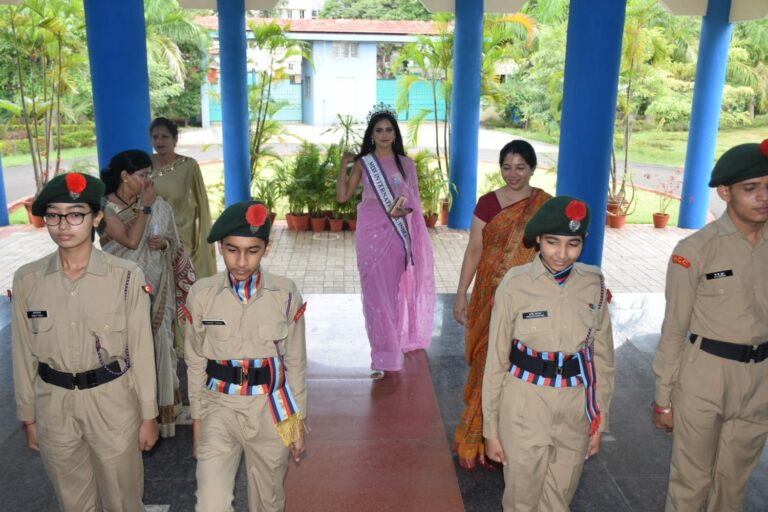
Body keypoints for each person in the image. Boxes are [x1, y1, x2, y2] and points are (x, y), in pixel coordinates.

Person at [12, 172, 159, 511]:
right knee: (72, 501)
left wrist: (148, 415)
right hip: (54, 405)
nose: (63, 224)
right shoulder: (29, 280)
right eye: (53, 214)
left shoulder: (124, 277)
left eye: (75, 214)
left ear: (96, 218)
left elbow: (140, 349)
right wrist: (28, 416)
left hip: (111, 403)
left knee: (122, 500)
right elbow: (22, 354)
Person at [651, 140, 768, 511]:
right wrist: (662, 396)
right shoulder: (695, 250)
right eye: (750, 189)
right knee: (691, 483)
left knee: (733, 486)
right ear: (725, 192)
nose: (762, 197)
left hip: (760, 378)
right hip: (705, 375)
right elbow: (673, 327)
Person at [482, 196, 615, 511]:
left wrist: (600, 420)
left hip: (574, 409)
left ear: (583, 243)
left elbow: (603, 360)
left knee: (559, 500)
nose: (562, 253)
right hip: (526, 406)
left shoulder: (593, 284)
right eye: (553, 242)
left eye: (573, 244)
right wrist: (491, 429)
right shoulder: (515, 285)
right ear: (538, 240)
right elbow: (496, 360)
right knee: (521, 501)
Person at [185, 200, 307, 512]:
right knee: (211, 504)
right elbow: (196, 359)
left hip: (270, 408)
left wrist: (297, 422)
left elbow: (295, 361)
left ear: (266, 248)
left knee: (268, 502)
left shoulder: (286, 293)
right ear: (220, 248)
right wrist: (197, 420)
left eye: (252, 250)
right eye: (231, 250)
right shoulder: (201, 294)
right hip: (219, 407)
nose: (241, 261)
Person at [452, 139, 552, 469]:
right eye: (506, 167)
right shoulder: (487, 204)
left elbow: (555, 252)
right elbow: (475, 250)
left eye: (520, 167)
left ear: (533, 169)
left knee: (518, 366)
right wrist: (461, 292)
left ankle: (513, 434)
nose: (513, 174)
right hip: (488, 298)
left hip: (528, 300)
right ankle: (478, 436)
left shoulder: (545, 205)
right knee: (487, 363)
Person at [99, 149, 195, 438]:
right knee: (129, 349)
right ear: (124, 177)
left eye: (149, 174)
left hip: (159, 284)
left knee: (162, 343)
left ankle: (167, 409)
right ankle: (134, 412)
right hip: (122, 290)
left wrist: (164, 245)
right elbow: (129, 241)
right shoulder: (104, 209)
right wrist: (145, 207)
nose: (148, 179)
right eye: (142, 175)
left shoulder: (158, 205)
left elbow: (174, 243)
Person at [336, 104, 436, 379]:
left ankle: (392, 349)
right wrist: (344, 164)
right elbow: (343, 197)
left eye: (388, 130)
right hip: (369, 233)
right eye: (378, 130)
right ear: (371, 134)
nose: (383, 134)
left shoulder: (406, 164)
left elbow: (414, 200)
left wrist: (401, 210)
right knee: (373, 295)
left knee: (391, 292)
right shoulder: (363, 163)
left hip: (395, 233)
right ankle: (381, 354)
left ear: (395, 133)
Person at [150, 117, 217, 278]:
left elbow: (199, 202)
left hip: (182, 232)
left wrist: (198, 236)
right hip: (152, 232)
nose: (159, 141)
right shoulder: (146, 163)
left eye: (165, 136)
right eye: (155, 137)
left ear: (175, 140)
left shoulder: (188, 165)